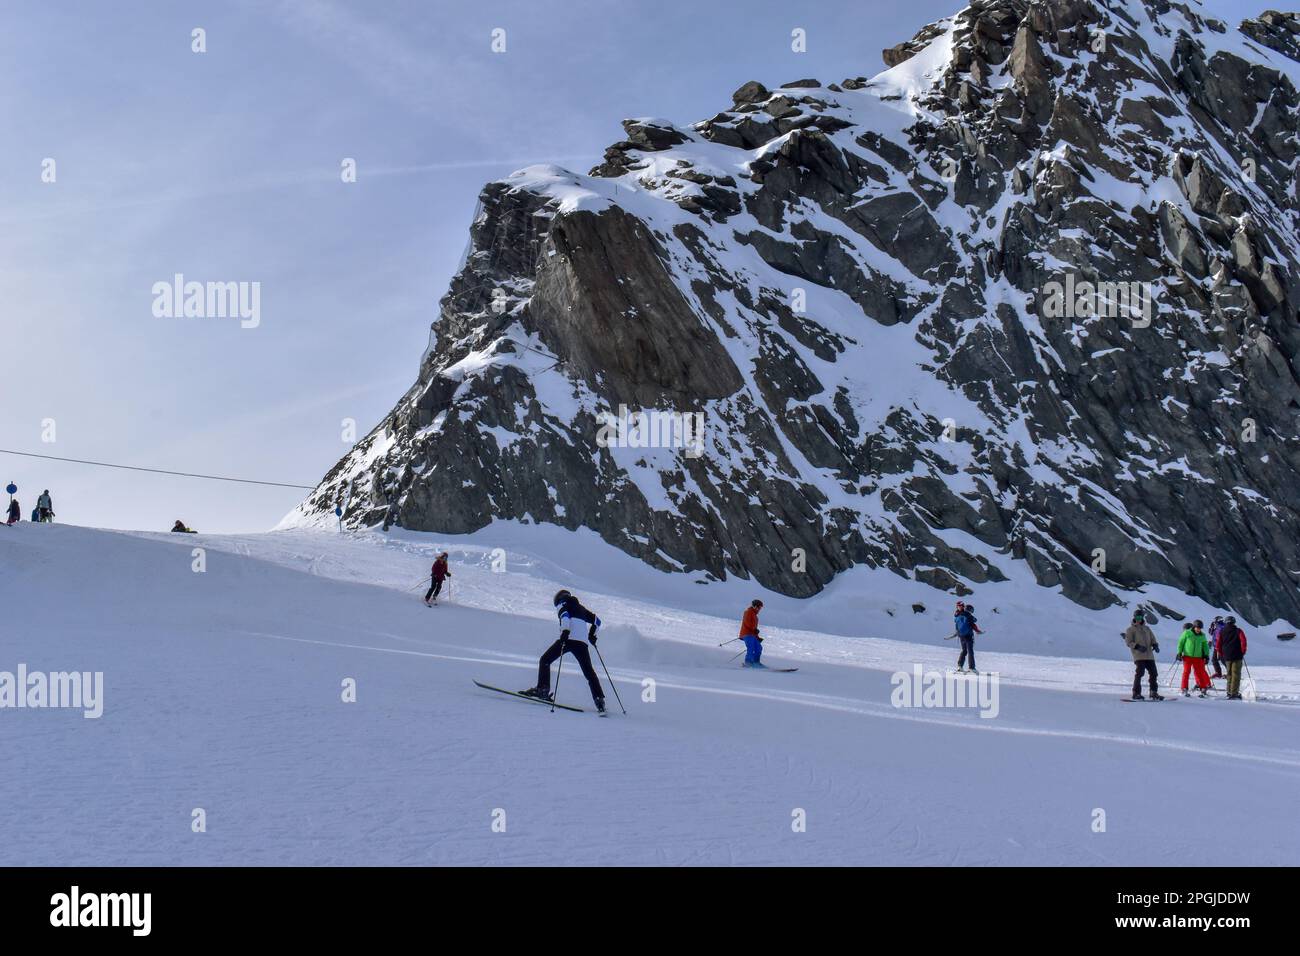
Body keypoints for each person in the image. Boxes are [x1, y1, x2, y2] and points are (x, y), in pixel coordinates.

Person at [520, 590, 606, 713]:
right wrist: (592, 635)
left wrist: (565, 631)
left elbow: (565, 616)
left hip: (568, 639)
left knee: (545, 660)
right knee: (589, 673)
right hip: (582, 643)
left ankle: (542, 690)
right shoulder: (582, 609)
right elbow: (597, 622)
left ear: (559, 599)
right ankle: (599, 700)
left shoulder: (563, 605)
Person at [1122, 610, 1163, 700]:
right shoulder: (1130, 629)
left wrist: (1155, 645)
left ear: (1142, 618)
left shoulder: (1147, 629)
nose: (1138, 619)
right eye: (1137, 617)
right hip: (1139, 655)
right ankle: (1136, 693)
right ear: (1134, 618)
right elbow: (1128, 642)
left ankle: (1153, 692)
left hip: (1149, 655)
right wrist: (1137, 646)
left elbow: (1153, 638)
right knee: (1140, 673)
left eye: (1140, 618)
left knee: (1154, 673)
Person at [1215, 615, 1249, 700]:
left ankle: (1229, 691)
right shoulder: (1238, 631)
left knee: (1229, 674)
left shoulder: (1222, 631)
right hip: (1237, 655)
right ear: (1234, 622)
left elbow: (1218, 644)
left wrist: (1221, 653)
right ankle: (1234, 693)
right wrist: (1243, 652)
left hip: (1226, 656)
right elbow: (1243, 642)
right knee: (1236, 674)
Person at [1177, 620, 1211, 697]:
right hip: (1187, 656)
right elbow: (1181, 642)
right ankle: (1184, 688)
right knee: (1186, 672)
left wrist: (1206, 655)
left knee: (1200, 672)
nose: (1198, 629)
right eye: (1197, 628)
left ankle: (1203, 688)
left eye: (1200, 628)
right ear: (1194, 627)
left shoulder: (1202, 635)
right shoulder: (1187, 633)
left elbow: (1205, 646)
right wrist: (1179, 653)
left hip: (1198, 657)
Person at [955, 603, 982, 673]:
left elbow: (956, 624)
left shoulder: (958, 615)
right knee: (970, 651)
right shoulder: (969, 616)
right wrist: (978, 631)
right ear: (970, 610)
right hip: (968, 636)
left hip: (961, 636)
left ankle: (960, 666)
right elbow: (974, 623)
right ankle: (971, 668)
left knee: (964, 650)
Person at [739, 599, 765, 668]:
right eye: (759, 607)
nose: (760, 609)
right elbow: (748, 623)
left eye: (760, 608)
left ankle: (756, 662)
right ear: (755, 606)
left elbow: (754, 629)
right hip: (747, 634)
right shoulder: (748, 612)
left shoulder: (755, 616)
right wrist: (754, 630)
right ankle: (748, 663)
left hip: (752, 635)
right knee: (751, 647)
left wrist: (757, 637)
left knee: (759, 648)